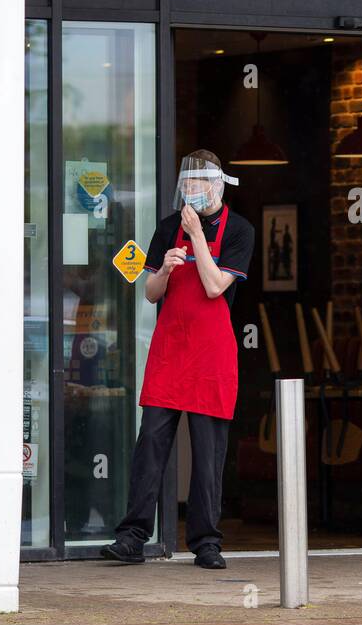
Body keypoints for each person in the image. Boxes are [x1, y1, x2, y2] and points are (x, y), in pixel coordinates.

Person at [102, 150, 255, 569]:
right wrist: (165, 271)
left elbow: (213, 286)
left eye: (197, 184)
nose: (190, 191)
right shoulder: (168, 227)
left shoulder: (240, 230)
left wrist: (199, 240)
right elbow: (151, 293)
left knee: (208, 452)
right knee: (150, 442)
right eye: (185, 184)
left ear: (216, 185)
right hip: (170, 349)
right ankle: (132, 536)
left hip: (212, 354)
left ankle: (206, 542)